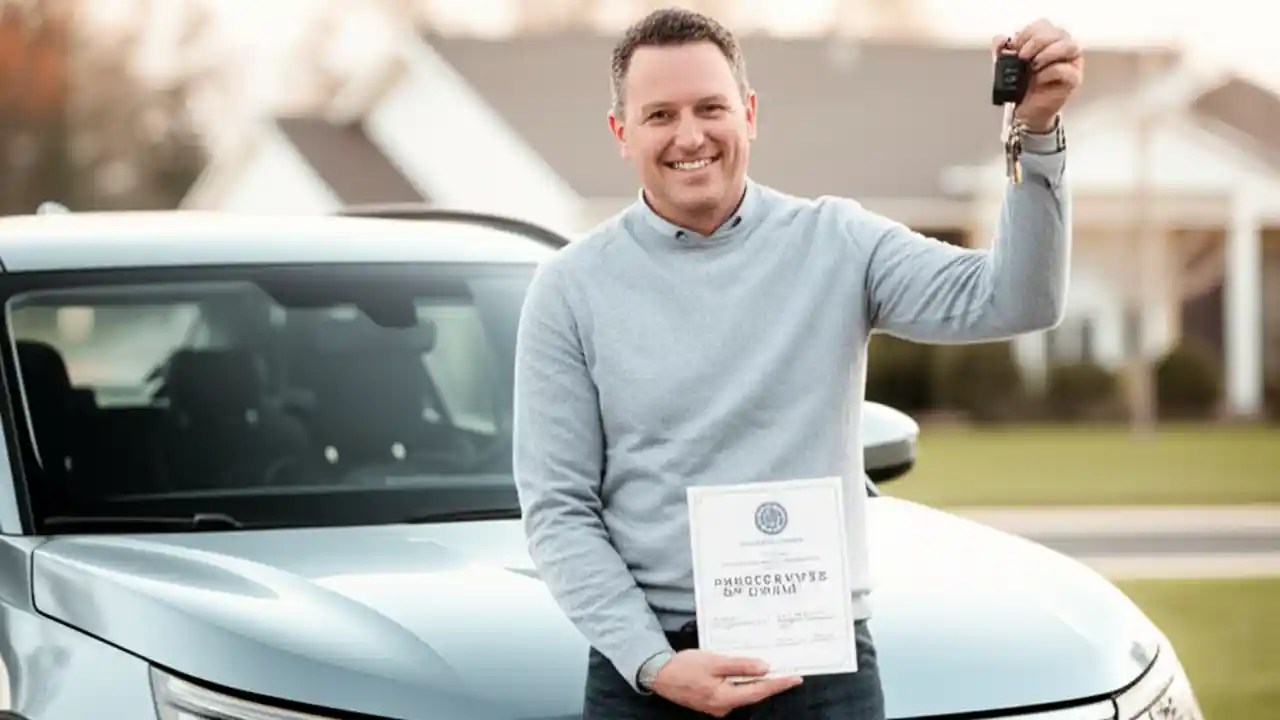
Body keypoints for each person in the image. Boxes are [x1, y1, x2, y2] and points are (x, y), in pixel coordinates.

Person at [513, 8, 1083, 719]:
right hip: (651, 678)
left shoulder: (837, 243)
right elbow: (558, 510)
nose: (690, 135)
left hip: (823, 672)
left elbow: (1015, 300)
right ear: (621, 132)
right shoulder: (570, 288)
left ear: (749, 114)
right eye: (660, 114)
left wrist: (1034, 133)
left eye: (711, 108)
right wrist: (654, 664)